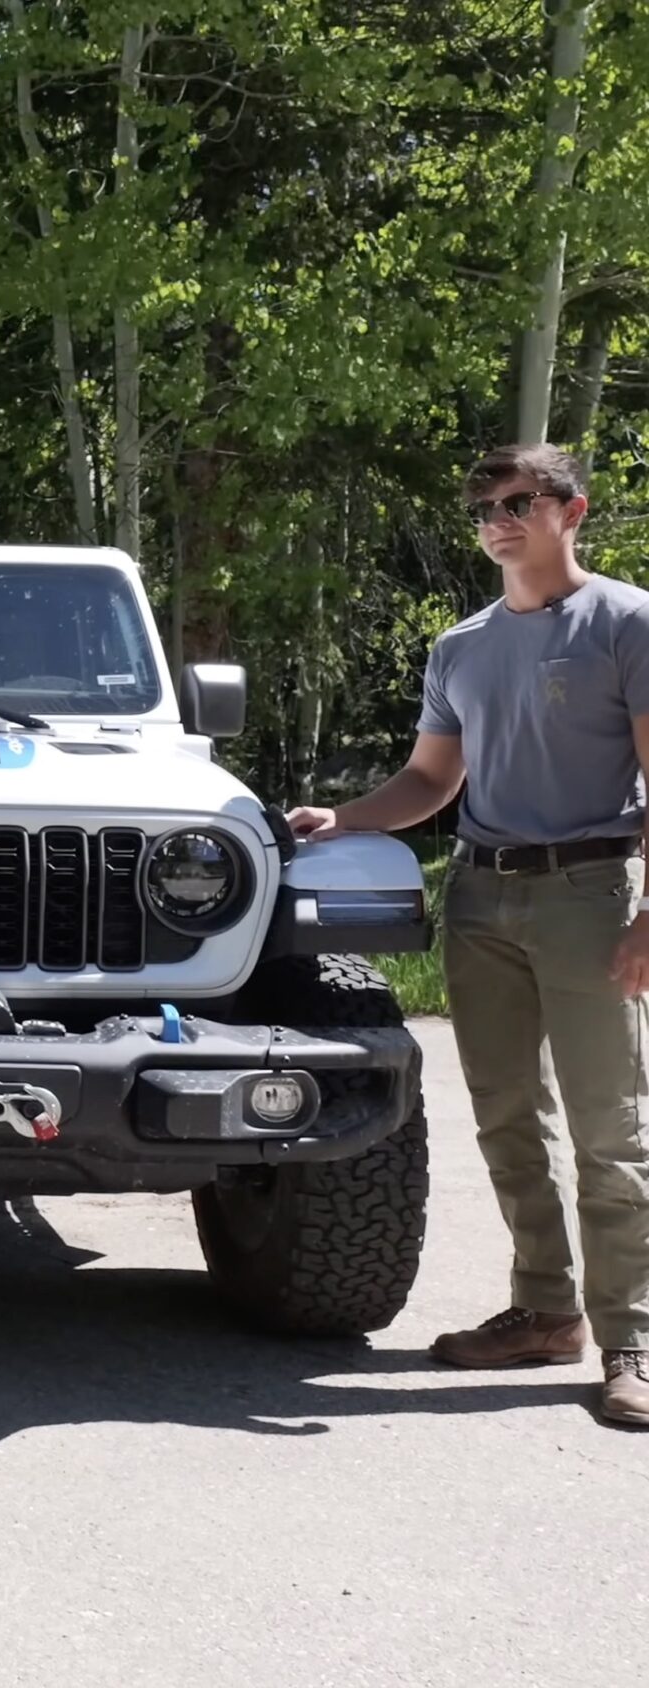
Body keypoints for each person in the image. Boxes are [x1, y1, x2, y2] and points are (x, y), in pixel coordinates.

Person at [287, 442, 649, 1430]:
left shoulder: (626, 621)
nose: (496, 516)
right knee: (505, 1119)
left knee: (609, 1132)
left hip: (590, 894)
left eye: (517, 500)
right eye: (483, 503)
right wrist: (346, 817)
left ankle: (632, 1339)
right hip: (482, 902)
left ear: (569, 511)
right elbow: (430, 781)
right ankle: (544, 1309)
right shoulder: (461, 645)